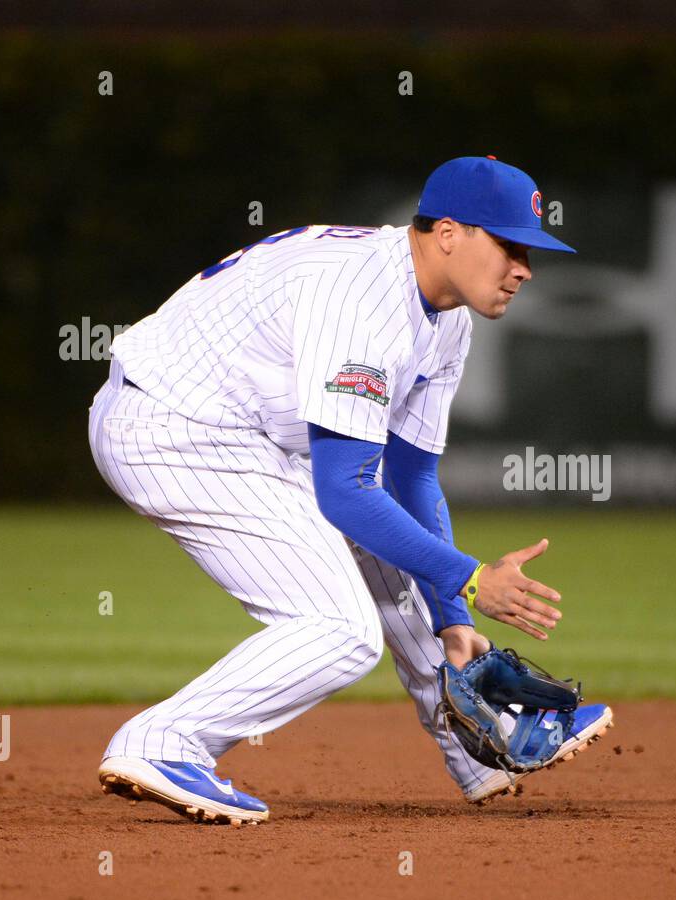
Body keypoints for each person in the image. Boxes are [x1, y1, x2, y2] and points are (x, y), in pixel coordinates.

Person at [89, 156, 613, 825]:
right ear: (448, 232)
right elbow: (343, 492)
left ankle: (476, 748)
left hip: (239, 434)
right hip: (171, 424)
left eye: (530, 253)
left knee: (392, 550)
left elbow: (411, 476)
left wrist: (454, 618)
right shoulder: (364, 299)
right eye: (510, 246)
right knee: (340, 627)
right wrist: (475, 579)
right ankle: (164, 741)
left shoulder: (448, 319)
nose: (524, 269)